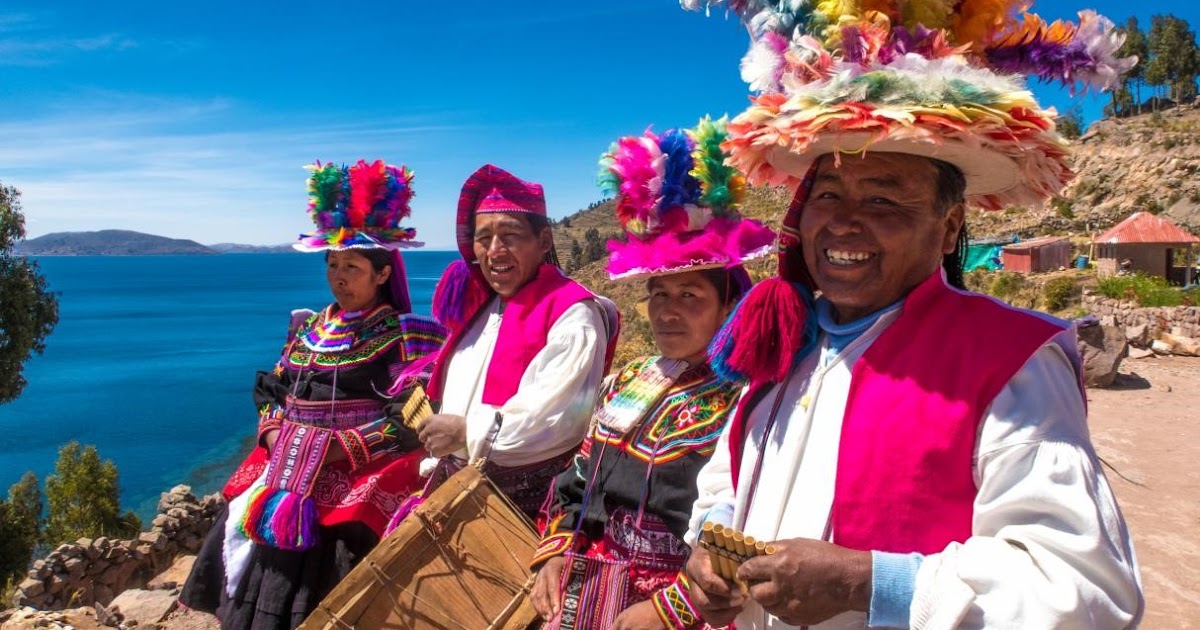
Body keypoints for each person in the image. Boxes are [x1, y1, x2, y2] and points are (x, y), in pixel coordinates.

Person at [677, 2, 1144, 628]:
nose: (845, 221)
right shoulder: (789, 340)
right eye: (829, 196)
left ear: (949, 227)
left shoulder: (1011, 363)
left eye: (883, 198)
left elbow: (1082, 591)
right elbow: (732, 482)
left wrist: (867, 584)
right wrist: (712, 545)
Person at [528, 118, 775, 630]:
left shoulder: (751, 398)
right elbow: (580, 475)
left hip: (686, 610)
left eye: (689, 296)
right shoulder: (628, 381)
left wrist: (669, 610)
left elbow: (749, 521)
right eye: (659, 294)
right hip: (594, 584)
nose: (667, 311)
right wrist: (555, 551)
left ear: (729, 304)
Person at [179, 160, 446, 629]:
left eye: (352, 266)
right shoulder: (309, 328)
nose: (338, 276)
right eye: (332, 263)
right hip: (285, 465)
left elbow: (413, 415)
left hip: (349, 472)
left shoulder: (404, 335)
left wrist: (338, 449)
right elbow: (272, 390)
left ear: (382, 274)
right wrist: (272, 432)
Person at [413, 164, 619, 519]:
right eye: (483, 238)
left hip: (520, 516)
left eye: (509, 236)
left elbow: (557, 421)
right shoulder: (484, 307)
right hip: (456, 491)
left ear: (543, 242)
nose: (495, 250)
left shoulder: (573, 316)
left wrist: (465, 431)